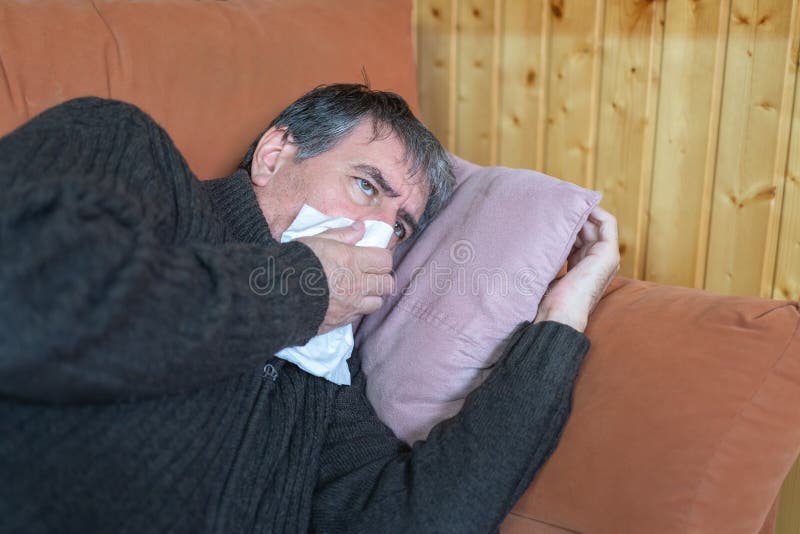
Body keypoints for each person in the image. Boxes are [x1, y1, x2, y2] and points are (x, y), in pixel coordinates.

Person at [0, 84, 619, 533]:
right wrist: (300, 286)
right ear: (274, 155)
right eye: (366, 186)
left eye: (400, 227)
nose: (378, 232)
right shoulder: (131, 156)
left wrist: (560, 319)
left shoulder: (325, 379)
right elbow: (28, 300)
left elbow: (427, 518)